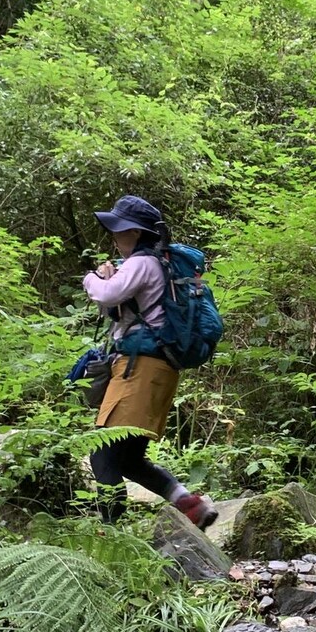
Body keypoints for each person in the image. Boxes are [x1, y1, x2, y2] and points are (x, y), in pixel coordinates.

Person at [82, 194, 217, 529]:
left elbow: (106, 295)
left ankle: (111, 535)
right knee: (129, 459)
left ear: (136, 233)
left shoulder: (143, 263)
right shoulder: (157, 264)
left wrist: (92, 278)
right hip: (156, 370)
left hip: (139, 370)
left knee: (103, 452)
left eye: (119, 229)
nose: (114, 236)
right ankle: (191, 506)